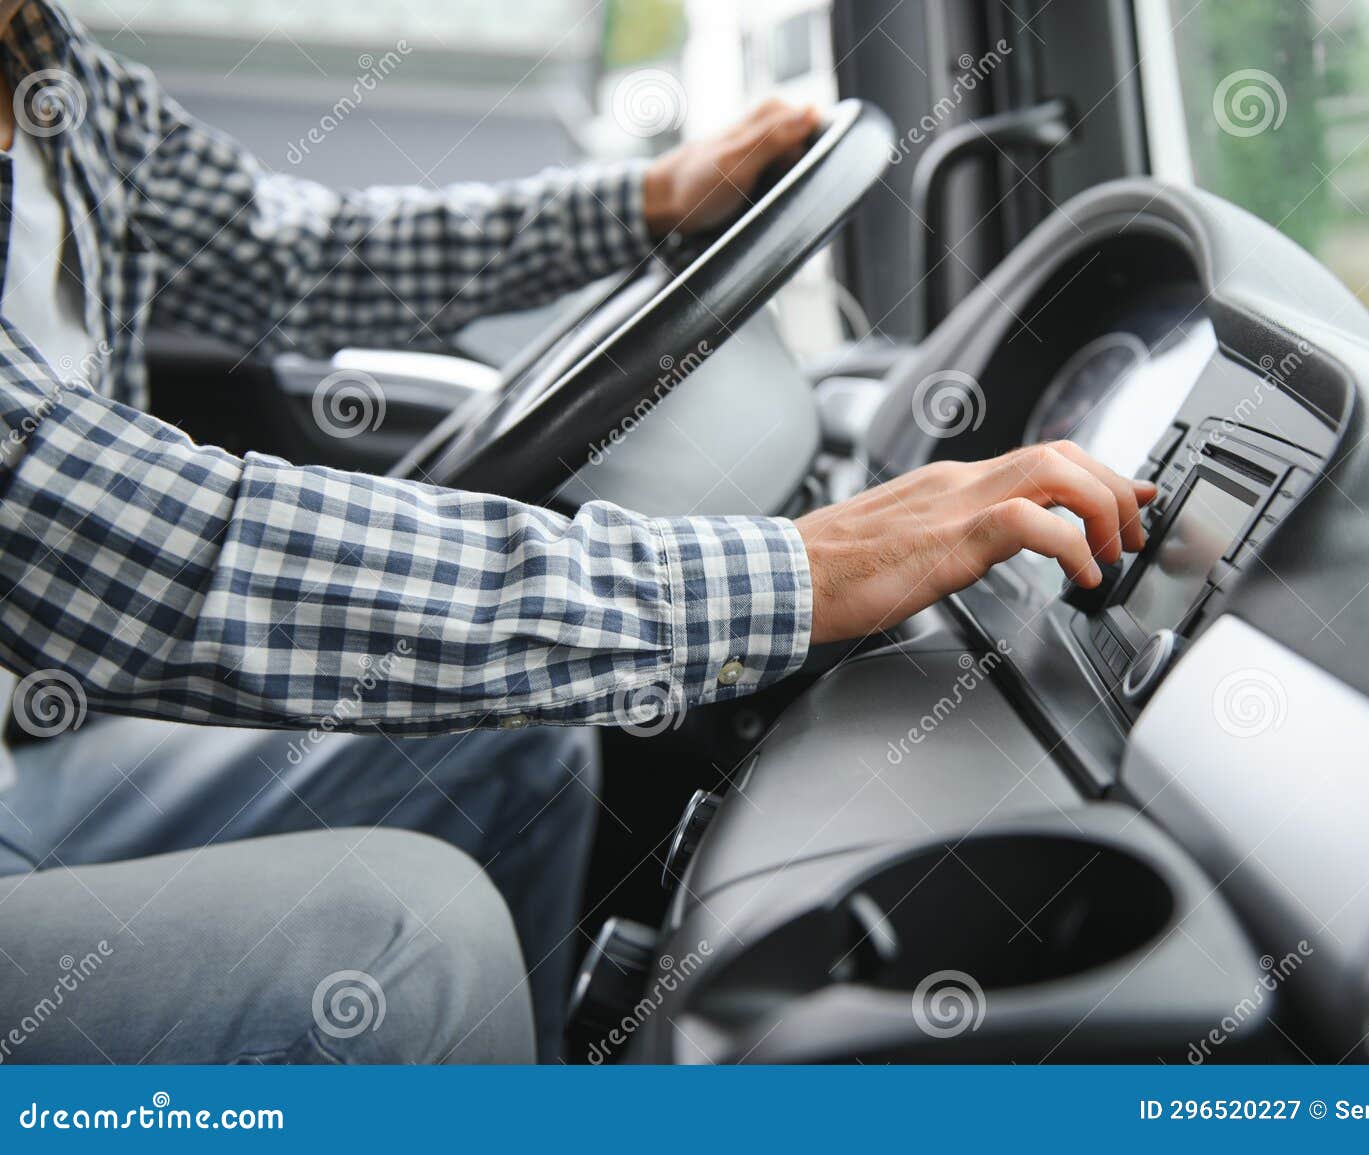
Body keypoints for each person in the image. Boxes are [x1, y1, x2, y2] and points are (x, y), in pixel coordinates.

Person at [0, 0, 1152, 1064]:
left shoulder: (43, 61)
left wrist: (648, 201)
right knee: (409, 952)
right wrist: (795, 573)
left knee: (522, 735)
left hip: (43, 747)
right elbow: (122, 541)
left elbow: (284, 251)